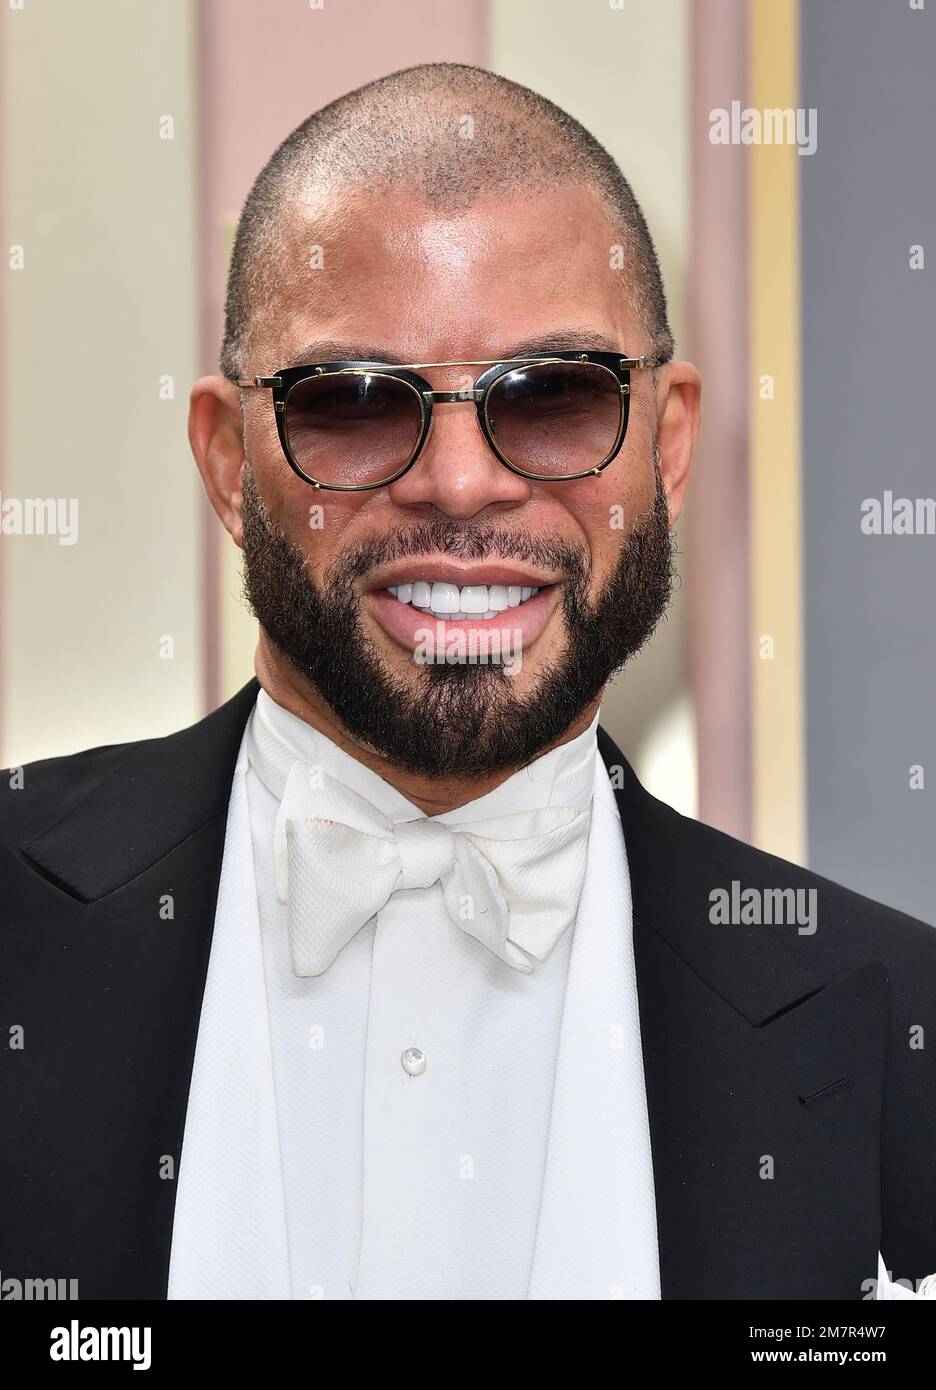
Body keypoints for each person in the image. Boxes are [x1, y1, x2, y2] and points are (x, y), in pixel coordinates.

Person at [2, 62, 934, 1302]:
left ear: (667, 445)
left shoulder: (898, 1026)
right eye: (351, 401)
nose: (458, 483)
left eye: (553, 395)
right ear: (230, 466)